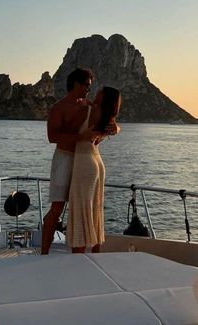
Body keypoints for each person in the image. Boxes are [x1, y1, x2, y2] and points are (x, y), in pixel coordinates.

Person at [41, 68, 97, 255]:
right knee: (57, 207)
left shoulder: (89, 106)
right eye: (87, 86)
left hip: (83, 160)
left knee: (80, 206)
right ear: (76, 84)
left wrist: (112, 129)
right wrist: (81, 136)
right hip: (64, 159)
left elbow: (102, 128)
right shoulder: (59, 107)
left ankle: (80, 253)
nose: (89, 90)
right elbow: (52, 136)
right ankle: (44, 252)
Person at [66, 86, 121, 254]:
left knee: (82, 207)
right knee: (95, 207)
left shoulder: (88, 111)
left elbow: (69, 131)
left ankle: (78, 257)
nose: (96, 92)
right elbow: (115, 129)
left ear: (103, 97)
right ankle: (96, 255)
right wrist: (117, 129)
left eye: (100, 92)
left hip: (85, 161)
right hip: (97, 161)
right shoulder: (108, 118)